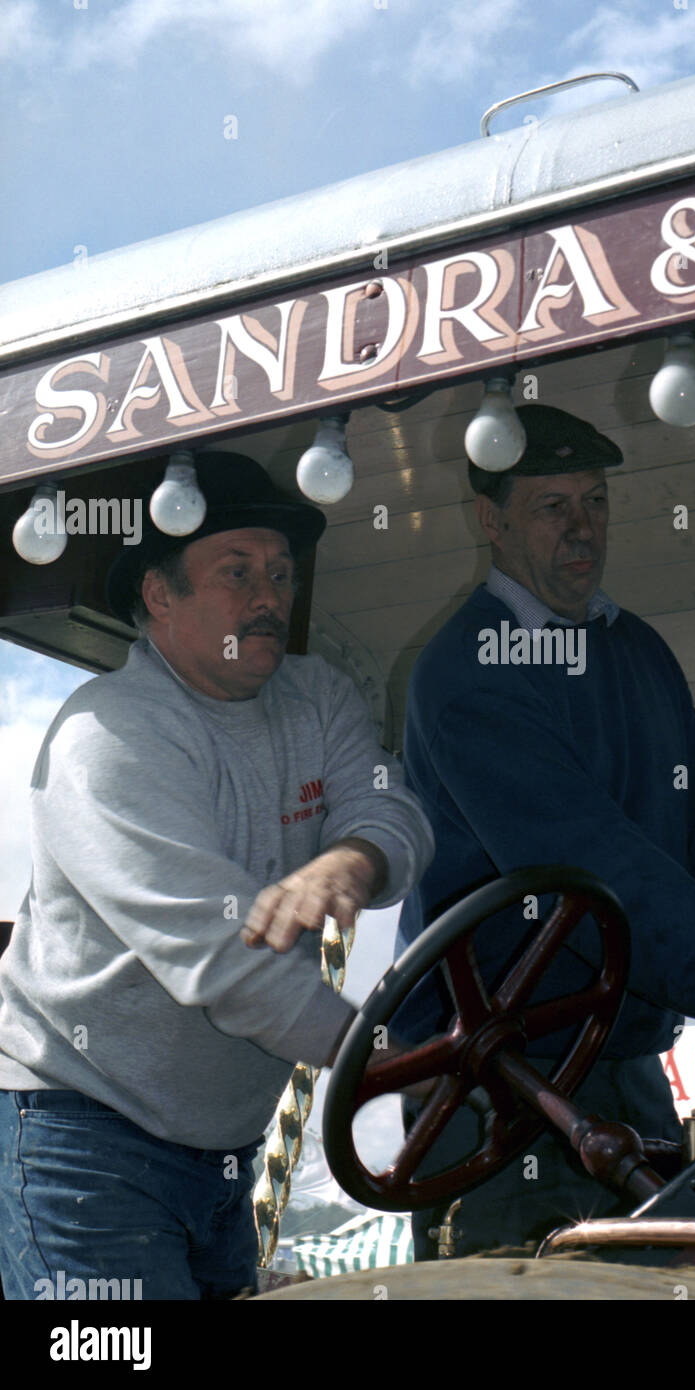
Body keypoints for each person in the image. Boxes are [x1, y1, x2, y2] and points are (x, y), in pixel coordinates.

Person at [394, 403, 695, 1258]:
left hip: (618, 1057)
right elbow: (581, 862)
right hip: (494, 1084)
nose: (581, 530)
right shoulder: (465, 671)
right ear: (492, 521)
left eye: (594, 503)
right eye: (552, 508)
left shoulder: (637, 654)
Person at [0, 452, 434, 1300]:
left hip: (224, 1150)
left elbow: (398, 812)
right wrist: (395, 1061)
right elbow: (225, 963)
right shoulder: (108, 740)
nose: (270, 596)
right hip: (80, 1137)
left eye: (279, 572)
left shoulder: (319, 698)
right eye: (237, 573)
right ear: (160, 595)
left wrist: (355, 858)